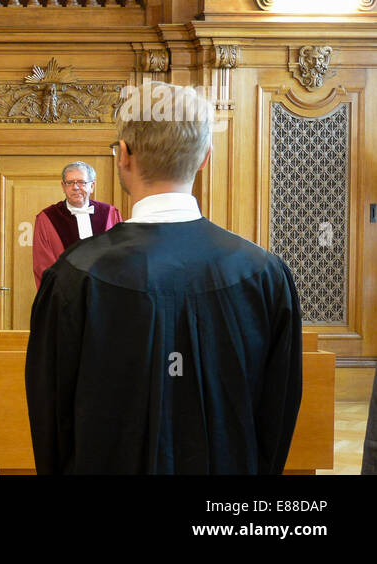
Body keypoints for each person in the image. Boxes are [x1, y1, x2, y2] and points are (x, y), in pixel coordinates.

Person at [25, 82, 303, 474]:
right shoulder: (263, 274)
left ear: (122, 156)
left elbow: (51, 419)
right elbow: (277, 415)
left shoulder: (73, 276)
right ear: (206, 157)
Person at [31, 161, 122, 287]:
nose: (75, 187)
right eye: (70, 183)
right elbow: (43, 264)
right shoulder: (47, 218)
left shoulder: (110, 214)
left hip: (104, 292)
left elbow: (119, 256)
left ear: (92, 186)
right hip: (65, 294)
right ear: (63, 187)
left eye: (81, 182)